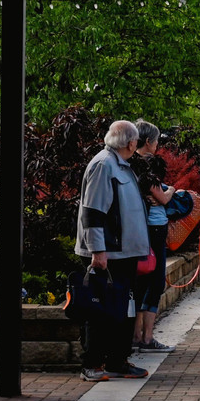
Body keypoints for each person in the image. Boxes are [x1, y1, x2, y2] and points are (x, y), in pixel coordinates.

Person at [73, 121, 151, 381]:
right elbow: (92, 212)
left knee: (123, 310)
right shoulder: (103, 165)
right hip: (108, 254)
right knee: (100, 311)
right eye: (136, 141)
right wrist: (97, 251)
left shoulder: (119, 165)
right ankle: (92, 363)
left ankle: (118, 360)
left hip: (123, 253)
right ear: (130, 143)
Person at [132, 120, 175, 353]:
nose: (158, 145)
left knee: (141, 282)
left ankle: (137, 334)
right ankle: (146, 337)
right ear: (147, 141)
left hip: (141, 227)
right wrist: (171, 190)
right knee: (155, 281)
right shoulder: (147, 166)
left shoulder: (129, 164)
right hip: (154, 228)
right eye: (157, 140)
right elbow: (163, 198)